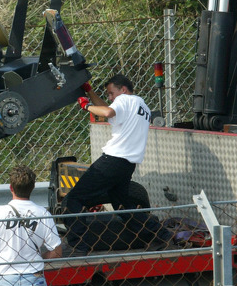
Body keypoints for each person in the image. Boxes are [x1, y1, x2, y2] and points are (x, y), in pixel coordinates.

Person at [67, 74, 172, 252]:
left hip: (112, 160)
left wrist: (87, 106)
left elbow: (107, 112)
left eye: (111, 93)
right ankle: (161, 236)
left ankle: (78, 245)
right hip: (127, 165)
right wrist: (90, 91)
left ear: (123, 89)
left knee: (75, 198)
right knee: (123, 206)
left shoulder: (124, 99)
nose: (110, 97)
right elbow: (109, 108)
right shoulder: (141, 106)